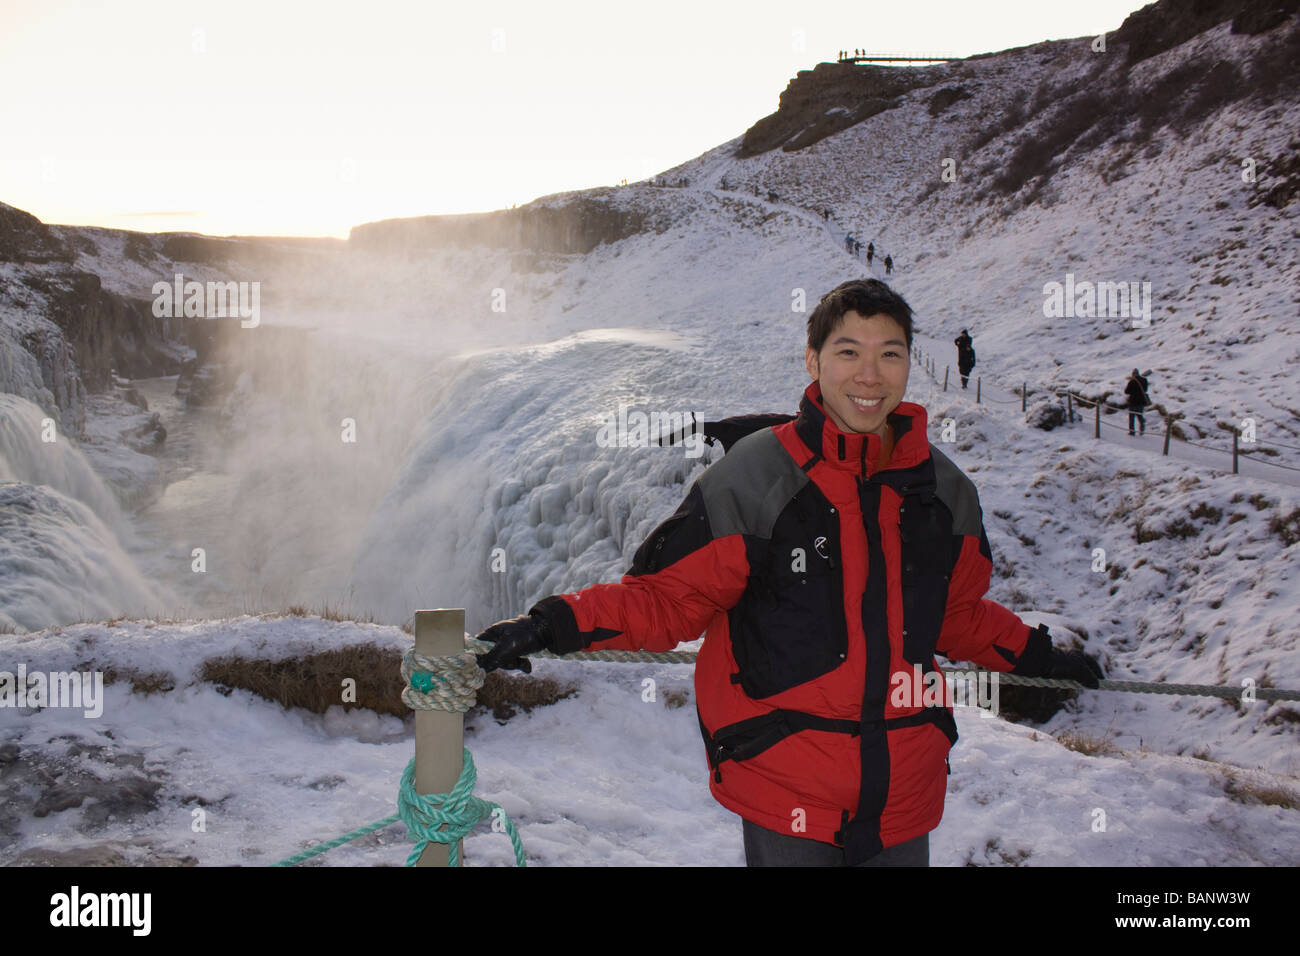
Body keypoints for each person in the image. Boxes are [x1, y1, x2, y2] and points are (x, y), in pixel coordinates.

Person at [474, 278, 1104, 867]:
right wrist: (553, 624)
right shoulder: (756, 478)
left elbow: (958, 617)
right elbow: (667, 601)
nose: (869, 374)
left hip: (905, 795)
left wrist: (1040, 657)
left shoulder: (944, 492)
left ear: (910, 363)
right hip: (785, 788)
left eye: (890, 354)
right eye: (848, 351)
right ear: (814, 361)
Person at [1125, 368, 1151, 436]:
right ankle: (1142, 426)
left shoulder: (1131, 381)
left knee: (1131, 417)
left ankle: (1132, 431)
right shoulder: (1144, 380)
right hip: (1141, 401)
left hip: (1133, 401)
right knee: (1139, 415)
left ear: (1133, 374)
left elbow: (1126, 391)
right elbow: (1145, 390)